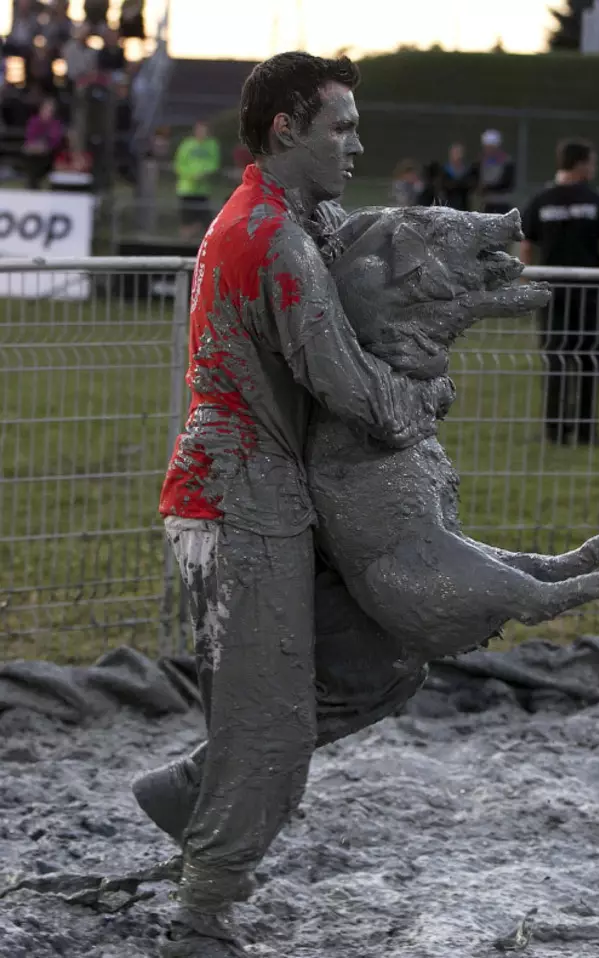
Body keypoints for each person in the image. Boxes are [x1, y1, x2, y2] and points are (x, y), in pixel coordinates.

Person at [148, 51, 454, 957]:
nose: (358, 143)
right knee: (272, 723)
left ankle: (194, 787)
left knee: (383, 658)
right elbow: (347, 385)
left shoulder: (294, 221)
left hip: (272, 495)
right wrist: (421, 404)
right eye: (341, 127)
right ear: (286, 129)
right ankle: (202, 910)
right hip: (236, 501)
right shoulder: (268, 236)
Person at [520, 138, 599, 446]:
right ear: (580, 164)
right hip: (590, 294)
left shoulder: (541, 201)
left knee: (556, 359)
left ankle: (555, 431)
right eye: (591, 162)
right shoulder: (596, 201)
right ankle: (586, 430)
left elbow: (526, 245)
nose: (593, 168)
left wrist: (527, 283)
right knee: (589, 359)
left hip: (551, 294)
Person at [174, 121, 222, 239]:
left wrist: (205, 173)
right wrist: (191, 175)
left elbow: (214, 163)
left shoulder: (212, 145)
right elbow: (179, 164)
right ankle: (184, 242)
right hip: (186, 189)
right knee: (186, 220)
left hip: (203, 190)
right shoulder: (187, 145)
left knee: (205, 221)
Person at [473, 128, 516, 214]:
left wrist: (487, 187)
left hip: (501, 203)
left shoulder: (506, 162)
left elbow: (507, 183)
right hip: (486, 203)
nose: (486, 149)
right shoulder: (481, 161)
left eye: (489, 147)